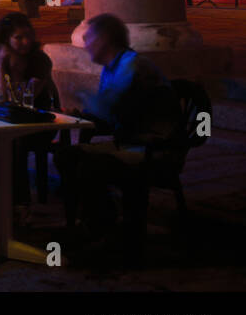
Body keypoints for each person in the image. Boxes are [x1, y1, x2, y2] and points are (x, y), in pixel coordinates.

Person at [54, 13, 180, 261]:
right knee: (66, 156)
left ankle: (107, 231)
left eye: (89, 39)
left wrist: (81, 97)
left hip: (153, 147)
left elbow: (113, 106)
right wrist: (78, 115)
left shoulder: (131, 66)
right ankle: (96, 224)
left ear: (105, 39)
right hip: (132, 141)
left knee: (92, 166)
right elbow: (110, 114)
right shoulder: (113, 68)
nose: (86, 44)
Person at [0, 13, 57, 209]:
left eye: (28, 36)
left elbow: (21, 101)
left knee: (14, 141)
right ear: (6, 39)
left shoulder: (39, 60)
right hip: (5, 121)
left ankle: (20, 204)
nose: (25, 42)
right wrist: (1, 66)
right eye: (18, 37)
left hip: (37, 123)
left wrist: (8, 72)